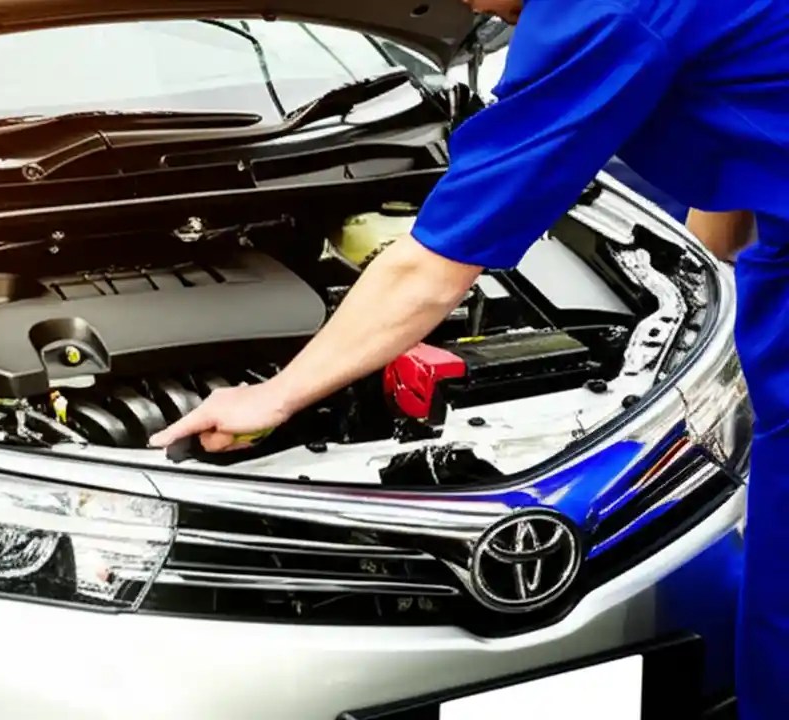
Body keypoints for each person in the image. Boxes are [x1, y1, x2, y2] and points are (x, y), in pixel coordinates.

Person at [147, 0, 789, 717]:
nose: (464, 5)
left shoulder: (596, 15)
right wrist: (710, 256)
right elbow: (743, 136)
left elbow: (430, 271)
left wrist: (274, 395)